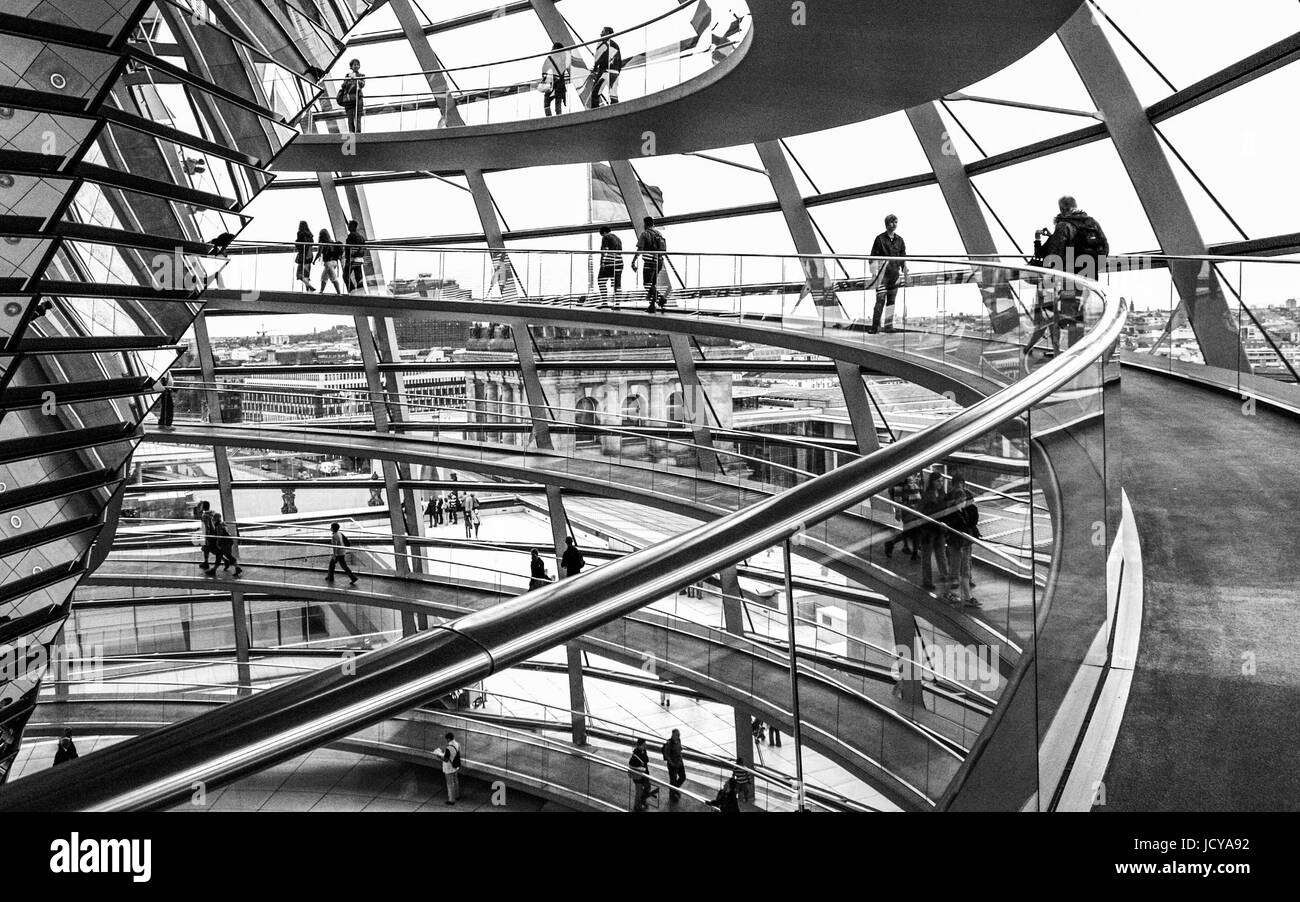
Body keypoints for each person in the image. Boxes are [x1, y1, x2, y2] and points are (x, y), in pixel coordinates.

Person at [1027, 195, 1109, 356]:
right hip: (1089, 277)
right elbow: (1105, 248)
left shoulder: (1064, 225)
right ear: (1075, 205)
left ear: (1061, 208)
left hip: (1070, 278)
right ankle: (1077, 353)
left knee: (1067, 315)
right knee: (1079, 314)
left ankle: (1071, 357)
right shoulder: (1092, 223)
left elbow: (1054, 255)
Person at [942, 473, 981, 608]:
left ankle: (967, 596)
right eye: (962, 500)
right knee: (955, 570)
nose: (964, 503)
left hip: (963, 543)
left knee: (964, 570)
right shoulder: (953, 513)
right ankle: (949, 593)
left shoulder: (962, 511)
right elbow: (957, 527)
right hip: (957, 544)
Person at [869, 214, 907, 334]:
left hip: (894, 275)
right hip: (882, 276)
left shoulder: (900, 240)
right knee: (880, 300)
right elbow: (872, 257)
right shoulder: (879, 239)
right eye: (891, 222)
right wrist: (873, 273)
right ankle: (875, 327)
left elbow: (903, 256)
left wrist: (904, 269)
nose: (894, 224)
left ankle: (888, 326)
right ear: (886, 224)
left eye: (895, 222)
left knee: (891, 301)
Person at [918, 473, 949, 592]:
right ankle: (927, 581)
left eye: (941, 481)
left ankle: (944, 575)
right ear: (932, 482)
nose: (940, 484)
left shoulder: (942, 494)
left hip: (939, 530)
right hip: (929, 530)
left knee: (941, 555)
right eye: (938, 481)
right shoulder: (927, 495)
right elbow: (923, 513)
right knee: (927, 557)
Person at [884, 471, 924, 560]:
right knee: (910, 531)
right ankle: (891, 543)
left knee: (916, 531)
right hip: (908, 510)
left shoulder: (915, 479)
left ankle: (914, 552)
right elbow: (898, 497)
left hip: (916, 509)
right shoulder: (901, 482)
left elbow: (918, 493)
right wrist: (898, 511)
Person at [631, 216, 668, 312]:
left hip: (649, 262)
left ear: (645, 224)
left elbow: (640, 249)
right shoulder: (658, 233)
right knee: (652, 285)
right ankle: (652, 307)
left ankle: (661, 299)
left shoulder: (645, 234)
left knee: (647, 284)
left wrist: (633, 261)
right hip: (659, 261)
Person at [590, 26, 623, 107]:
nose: (600, 33)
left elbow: (598, 57)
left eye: (602, 31)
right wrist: (618, 71)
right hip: (615, 72)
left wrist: (595, 69)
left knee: (595, 92)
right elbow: (620, 60)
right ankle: (615, 111)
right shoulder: (615, 45)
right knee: (613, 94)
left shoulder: (601, 42)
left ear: (607, 33)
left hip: (604, 71)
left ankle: (594, 113)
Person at [541, 42, 570, 117]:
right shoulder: (563, 60)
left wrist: (544, 80)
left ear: (555, 49)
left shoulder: (549, 58)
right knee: (558, 105)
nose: (551, 49)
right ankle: (559, 120)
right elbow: (562, 73)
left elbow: (544, 70)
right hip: (560, 85)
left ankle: (549, 119)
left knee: (547, 102)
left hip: (551, 83)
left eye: (552, 47)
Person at [628, 737, 656, 811]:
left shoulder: (643, 751)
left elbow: (647, 760)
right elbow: (631, 764)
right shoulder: (635, 755)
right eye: (644, 745)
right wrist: (639, 766)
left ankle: (642, 800)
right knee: (639, 792)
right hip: (638, 777)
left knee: (648, 787)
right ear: (639, 745)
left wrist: (643, 756)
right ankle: (637, 806)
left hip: (645, 774)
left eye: (645, 745)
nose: (645, 746)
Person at [338, 58, 365, 133]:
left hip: (358, 98)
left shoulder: (362, 75)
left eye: (357, 64)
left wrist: (356, 79)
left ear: (359, 66)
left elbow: (362, 85)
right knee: (350, 118)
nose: (356, 66)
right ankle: (351, 133)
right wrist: (347, 79)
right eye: (354, 65)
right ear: (351, 67)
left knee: (358, 117)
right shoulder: (347, 75)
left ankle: (358, 132)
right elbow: (343, 86)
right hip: (349, 99)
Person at [596, 226, 623, 298]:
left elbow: (604, 251)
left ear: (604, 232)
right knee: (617, 285)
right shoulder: (618, 238)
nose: (602, 236)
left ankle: (604, 302)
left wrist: (602, 263)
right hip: (619, 261)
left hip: (609, 262)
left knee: (601, 281)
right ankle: (617, 304)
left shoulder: (606, 237)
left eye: (602, 235)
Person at [314, 228, 344, 293]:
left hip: (328, 263)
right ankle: (321, 291)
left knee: (333, 278)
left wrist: (314, 261)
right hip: (335, 262)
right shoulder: (332, 242)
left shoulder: (322, 243)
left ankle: (339, 293)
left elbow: (319, 253)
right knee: (324, 277)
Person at [662, 728, 686, 803]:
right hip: (673, 765)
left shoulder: (679, 740)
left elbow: (679, 748)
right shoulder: (669, 743)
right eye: (677, 734)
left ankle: (675, 790)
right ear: (673, 735)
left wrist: (680, 751)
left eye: (679, 734)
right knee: (673, 780)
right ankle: (673, 795)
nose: (678, 736)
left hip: (679, 763)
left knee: (683, 777)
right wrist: (671, 762)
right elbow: (666, 754)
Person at [436, 731, 461, 804]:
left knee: (450, 784)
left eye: (446, 739)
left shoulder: (448, 748)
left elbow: (446, 759)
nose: (446, 740)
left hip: (449, 768)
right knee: (456, 781)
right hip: (455, 766)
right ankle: (457, 795)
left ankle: (451, 800)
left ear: (448, 739)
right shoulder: (457, 744)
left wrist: (439, 756)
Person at [344, 219, 366, 292]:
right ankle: (361, 291)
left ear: (353, 226)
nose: (348, 227)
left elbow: (349, 248)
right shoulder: (361, 237)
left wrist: (348, 256)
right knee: (358, 277)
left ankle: (352, 290)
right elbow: (363, 248)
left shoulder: (351, 236)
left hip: (352, 259)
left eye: (349, 225)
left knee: (345, 275)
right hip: (359, 259)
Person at [294, 220, 315, 292]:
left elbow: (299, 244)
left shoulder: (300, 233)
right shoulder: (310, 234)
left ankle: (309, 286)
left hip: (303, 255)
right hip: (310, 255)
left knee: (299, 274)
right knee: (306, 274)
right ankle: (308, 291)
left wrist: (296, 242)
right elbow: (311, 244)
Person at [197, 500, 216, 571]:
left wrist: (206, 537)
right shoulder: (212, 513)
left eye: (201, 506)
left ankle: (206, 563)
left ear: (203, 507)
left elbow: (207, 526)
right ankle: (206, 562)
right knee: (210, 549)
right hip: (214, 533)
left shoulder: (205, 515)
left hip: (208, 535)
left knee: (207, 549)